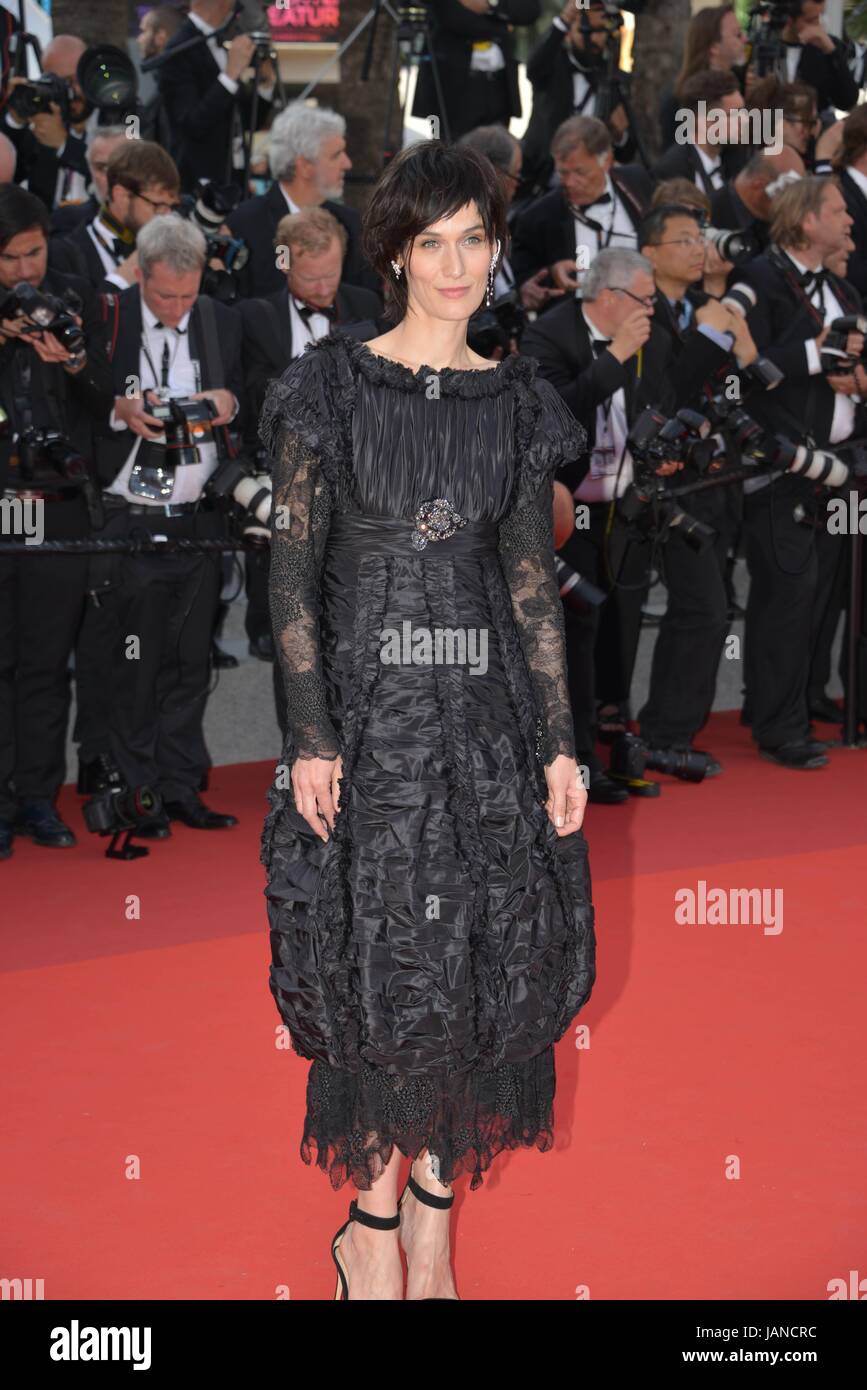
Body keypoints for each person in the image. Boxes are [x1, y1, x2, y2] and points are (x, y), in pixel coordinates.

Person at [259, 139, 595, 1299]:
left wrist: (558, 738)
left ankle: (435, 1234)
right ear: (396, 251)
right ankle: (369, 1223)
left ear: (498, 251)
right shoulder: (330, 389)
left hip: (489, 729)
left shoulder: (516, 402)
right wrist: (309, 732)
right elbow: (291, 581)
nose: (456, 264)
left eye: (476, 240)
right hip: (370, 722)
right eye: (432, 241)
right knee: (389, 974)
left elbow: (526, 586)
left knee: (482, 969)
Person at [86, 214, 243, 831]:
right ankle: (139, 790)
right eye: (165, 295)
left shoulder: (216, 320)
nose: (178, 308)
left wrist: (229, 404)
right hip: (130, 519)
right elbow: (79, 401)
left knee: (190, 661)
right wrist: (121, 409)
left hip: (199, 520)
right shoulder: (109, 318)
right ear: (140, 276)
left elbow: (244, 402)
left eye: (188, 294)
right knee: (136, 661)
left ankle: (181, 784)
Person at [0, 186, 112, 858]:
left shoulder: (74, 295)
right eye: (9, 259)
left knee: (45, 663)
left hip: (57, 508)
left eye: (33, 253)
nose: (24, 271)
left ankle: (37, 798)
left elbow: (105, 393)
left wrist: (69, 356)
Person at [734, 175, 861, 767]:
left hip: (840, 466)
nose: (851, 220)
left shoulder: (841, 288)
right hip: (782, 463)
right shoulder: (759, 278)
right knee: (787, 591)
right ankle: (780, 727)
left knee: (820, 592)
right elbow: (742, 370)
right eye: (839, 210)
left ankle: (791, 700)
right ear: (807, 220)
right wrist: (815, 355)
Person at [239, 205, 383, 669]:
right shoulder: (255, 318)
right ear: (284, 266)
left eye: (332, 275)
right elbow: (258, 402)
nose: (324, 289)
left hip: (358, 488)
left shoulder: (368, 306)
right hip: (289, 484)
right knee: (295, 641)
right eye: (310, 279)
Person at [227, 103, 379, 299]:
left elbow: (369, 302)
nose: (347, 163)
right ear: (304, 166)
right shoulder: (245, 224)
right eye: (336, 155)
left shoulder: (352, 224)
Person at [510, 115, 652, 295]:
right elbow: (523, 282)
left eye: (580, 172)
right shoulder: (538, 218)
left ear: (606, 161)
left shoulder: (636, 182)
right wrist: (552, 275)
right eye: (563, 173)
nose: (569, 182)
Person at [157, 0, 276, 190]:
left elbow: (248, 119)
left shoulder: (219, 44)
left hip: (235, 179)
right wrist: (230, 75)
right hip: (199, 185)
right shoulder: (180, 49)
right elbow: (191, 123)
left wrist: (265, 82)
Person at [410, 0, 541, 143]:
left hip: (498, 85)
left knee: (497, 150)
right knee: (452, 153)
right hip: (452, 87)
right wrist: (501, 26)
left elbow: (529, 11)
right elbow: (451, 17)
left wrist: (492, 4)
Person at [61, 140, 181, 290]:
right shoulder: (65, 255)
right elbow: (81, 312)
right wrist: (119, 281)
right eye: (158, 206)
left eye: (171, 207)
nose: (166, 216)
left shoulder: (171, 248)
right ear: (121, 196)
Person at [658, 3, 747, 148]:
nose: (744, 40)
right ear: (714, 48)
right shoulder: (682, 97)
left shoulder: (738, 84)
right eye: (737, 34)